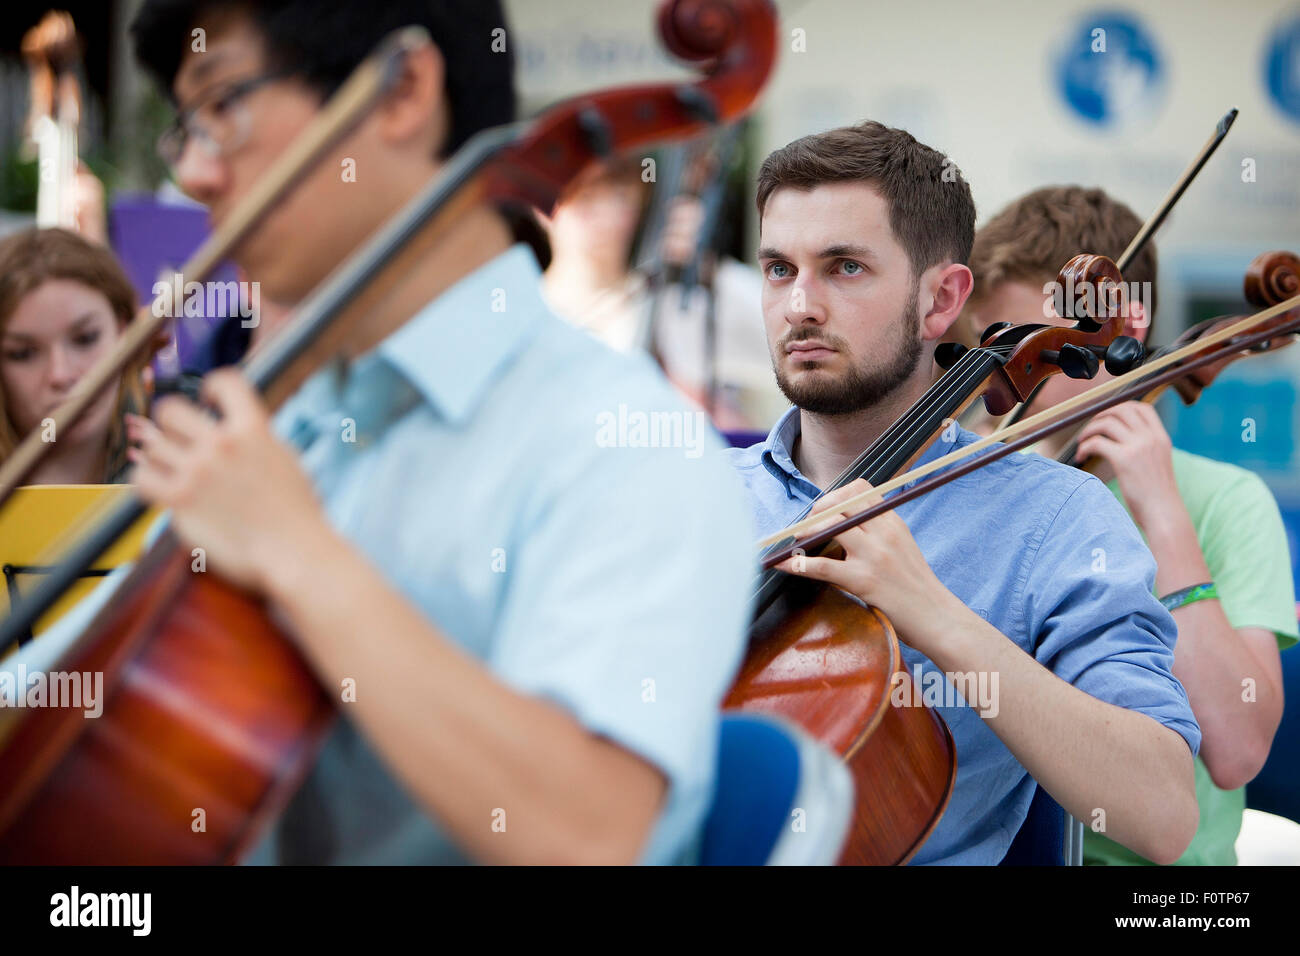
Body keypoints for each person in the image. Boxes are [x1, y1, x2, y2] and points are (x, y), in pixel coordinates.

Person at [10, 0, 755, 866]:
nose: (200, 175)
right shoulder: (294, 421)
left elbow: (587, 831)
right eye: (189, 129)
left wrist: (298, 554)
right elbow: (64, 686)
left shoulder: (626, 449)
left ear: (401, 91)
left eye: (222, 108)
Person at [728, 121, 1201, 864]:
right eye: (779, 269)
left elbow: (1163, 813)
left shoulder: (1055, 518)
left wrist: (936, 616)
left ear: (942, 299)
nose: (800, 306)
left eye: (844, 268)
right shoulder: (696, 500)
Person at [959, 185, 1297, 864]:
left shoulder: (1224, 500)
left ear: (1123, 333)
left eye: (1039, 350)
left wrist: (1161, 514)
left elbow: (1236, 750)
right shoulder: (959, 476)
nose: (1005, 385)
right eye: (992, 349)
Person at [541, 155, 785, 431]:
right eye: (582, 197)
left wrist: (704, 269)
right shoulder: (520, 315)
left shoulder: (677, 305)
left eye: (619, 195)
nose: (604, 213)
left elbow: (789, 335)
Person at [0, 226, 146, 484]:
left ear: (123, 332)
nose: (61, 374)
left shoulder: (199, 427)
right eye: (22, 354)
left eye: (86, 338)